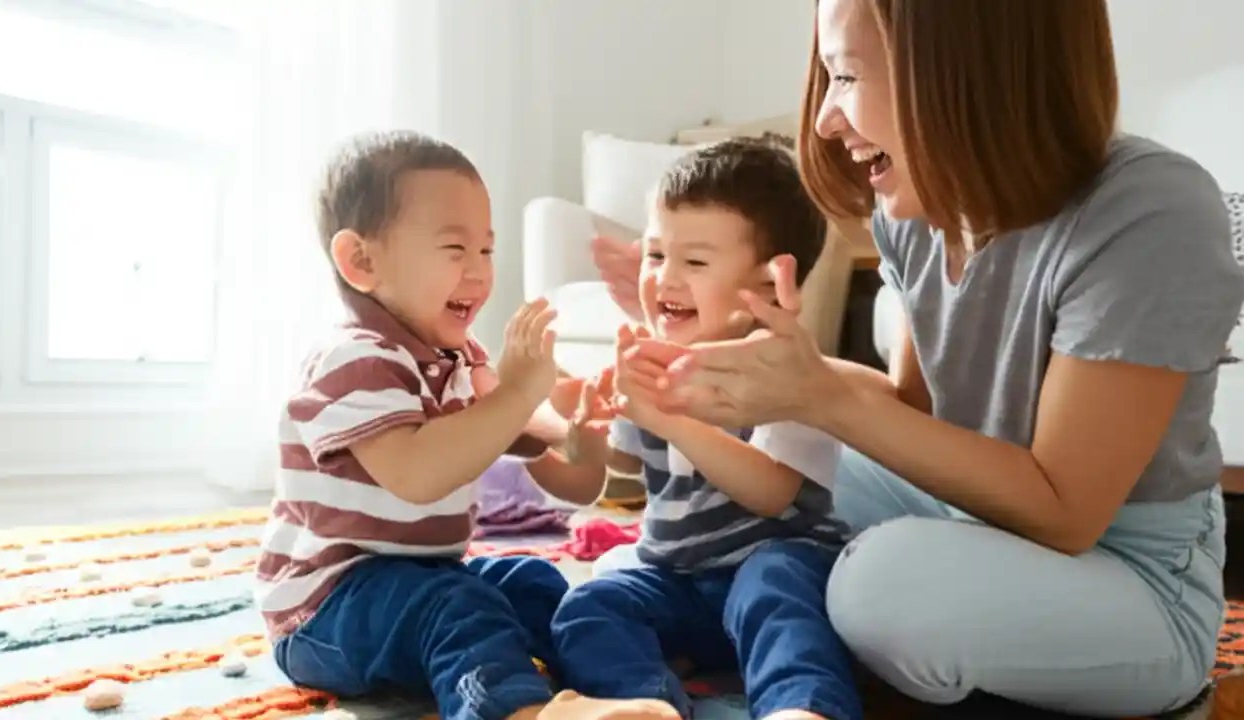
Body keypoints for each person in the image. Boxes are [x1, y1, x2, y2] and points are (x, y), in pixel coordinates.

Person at [600, 1, 1244, 717]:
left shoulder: (1149, 208)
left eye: (844, 75)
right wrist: (762, 375)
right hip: (970, 516)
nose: (823, 120)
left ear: (963, 66)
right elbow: (912, 419)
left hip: (1132, 574)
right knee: (785, 474)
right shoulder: (916, 212)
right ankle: (768, 632)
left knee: (875, 589)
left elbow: (1068, 514)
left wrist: (819, 396)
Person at [259, 130, 680, 720]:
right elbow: (419, 474)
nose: (480, 273)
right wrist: (517, 390)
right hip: (325, 610)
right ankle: (518, 713)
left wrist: (584, 430)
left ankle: (640, 690)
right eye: (455, 249)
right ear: (362, 262)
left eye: (486, 250)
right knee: (457, 606)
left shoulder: (464, 362)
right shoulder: (353, 360)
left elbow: (576, 486)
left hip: (423, 577)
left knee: (536, 584)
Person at [541, 139, 861, 720]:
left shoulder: (786, 370)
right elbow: (625, 477)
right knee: (589, 605)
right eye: (656, 254)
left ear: (767, 284)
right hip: (678, 580)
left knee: (778, 592)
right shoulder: (653, 357)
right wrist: (583, 420)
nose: (664, 278)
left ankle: (800, 706)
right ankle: (648, 705)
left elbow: (773, 492)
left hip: (775, 562)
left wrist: (673, 419)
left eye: (694, 262)